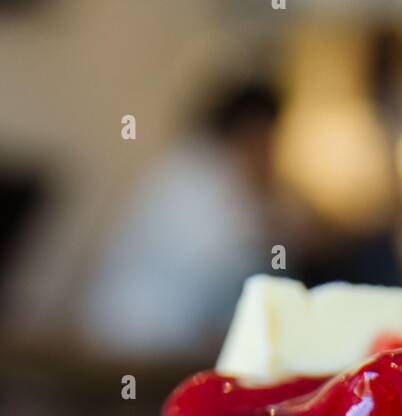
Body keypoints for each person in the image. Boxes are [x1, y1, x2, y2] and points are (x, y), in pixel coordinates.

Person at [77, 82, 282, 355]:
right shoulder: (195, 176)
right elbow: (218, 259)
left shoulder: (200, 171)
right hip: (137, 332)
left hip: (154, 330)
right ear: (252, 129)